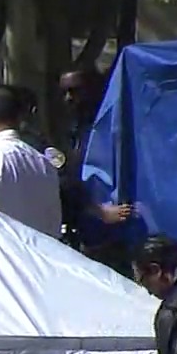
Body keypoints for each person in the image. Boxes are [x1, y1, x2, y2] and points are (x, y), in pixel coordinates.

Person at [0, 86, 63, 238]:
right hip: (41, 258)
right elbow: (54, 225)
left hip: (0, 259)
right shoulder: (44, 164)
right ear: (19, 118)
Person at [57, 67, 133, 254]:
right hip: (86, 231)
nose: (68, 99)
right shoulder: (74, 132)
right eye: (65, 92)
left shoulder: (116, 128)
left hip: (118, 234)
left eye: (75, 91)